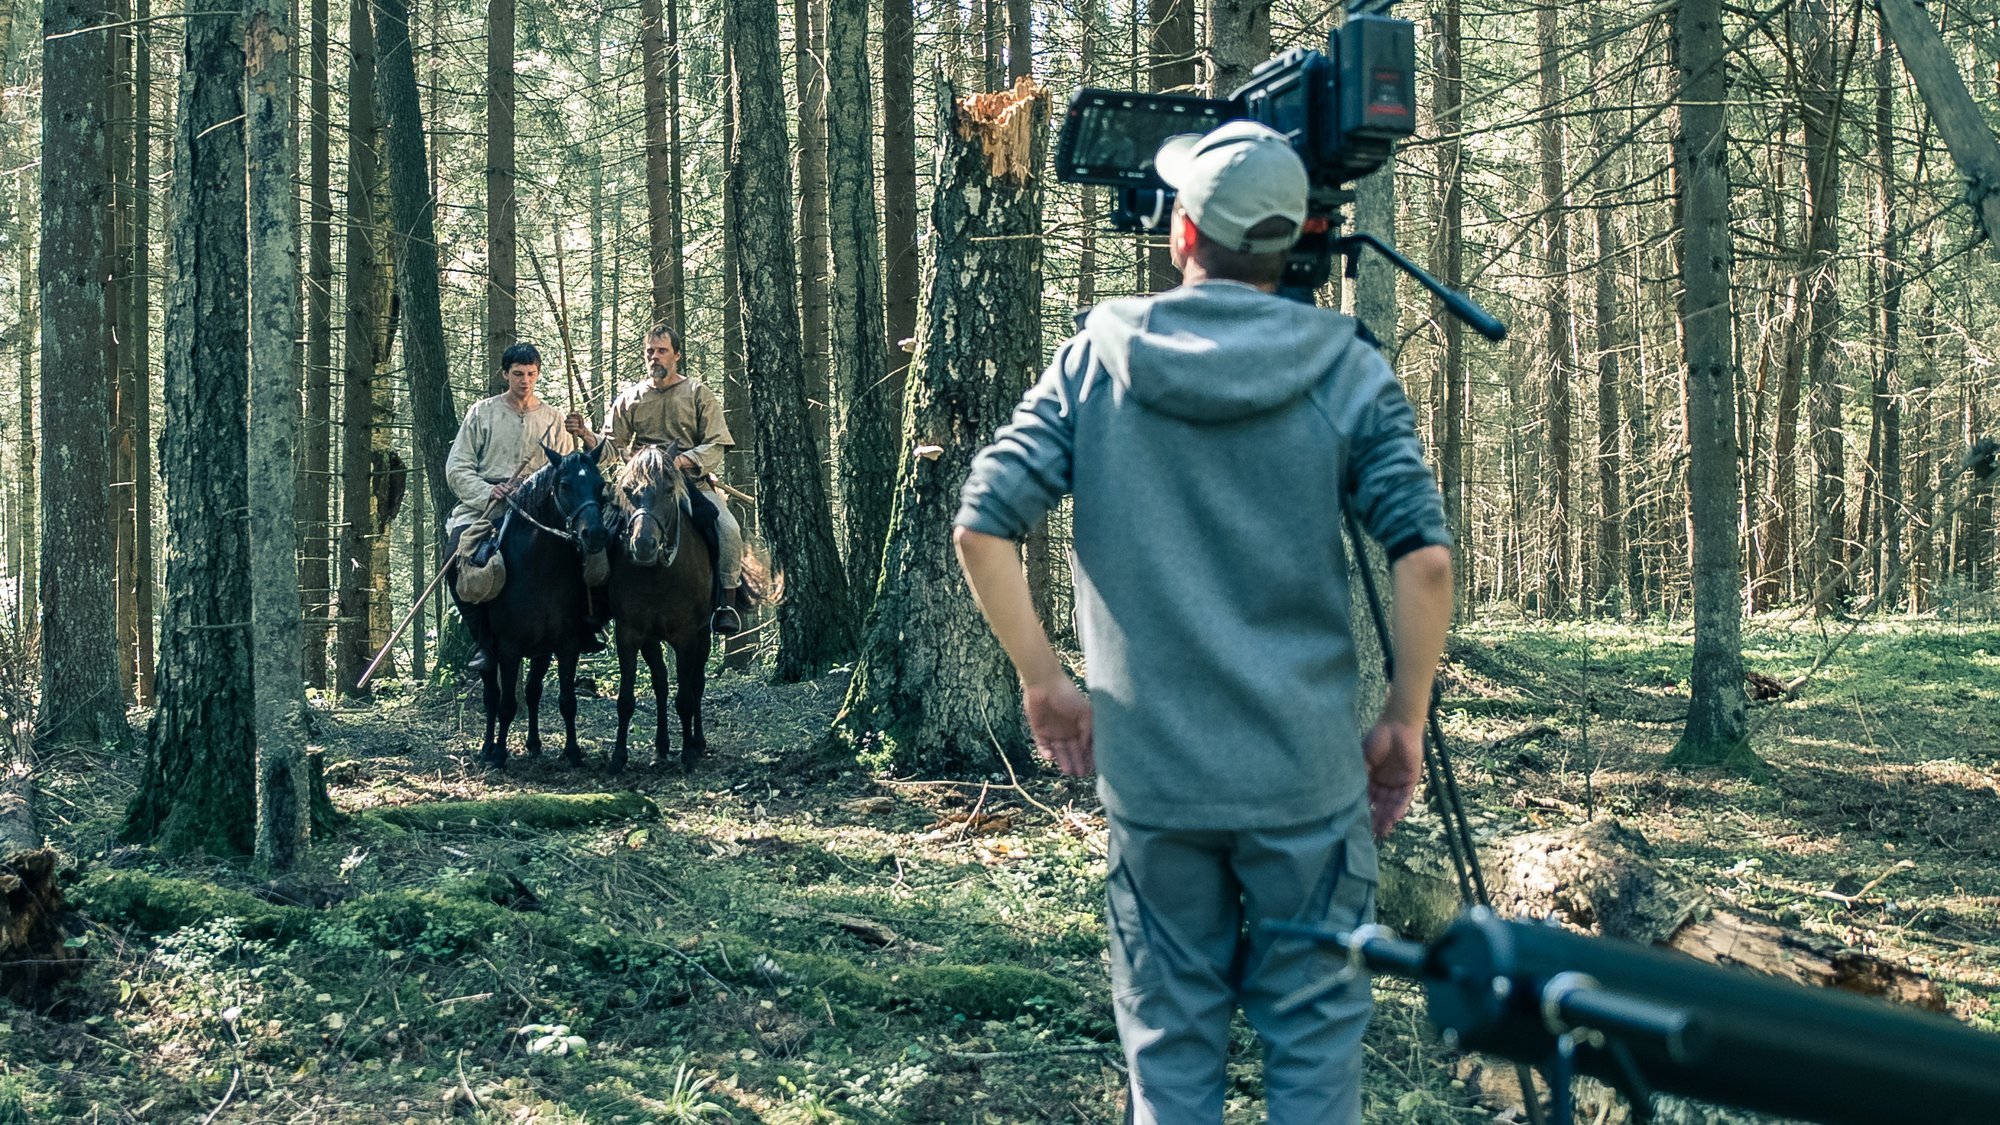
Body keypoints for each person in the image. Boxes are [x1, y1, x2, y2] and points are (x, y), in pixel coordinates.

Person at [953, 120, 1454, 1124]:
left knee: (1170, 1064)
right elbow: (1425, 561)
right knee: (1312, 1059)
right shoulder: (1345, 368)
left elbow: (981, 524)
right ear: (1292, 243)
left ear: (1183, 235)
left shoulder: (1096, 359)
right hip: (1305, 786)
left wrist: (1044, 682)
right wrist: (1401, 719)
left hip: (1156, 783)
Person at [566, 322, 746, 634]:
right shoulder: (630, 398)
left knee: (728, 530)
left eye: (662, 351)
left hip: (686, 482)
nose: (655, 357)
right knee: (598, 527)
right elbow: (611, 447)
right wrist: (585, 434)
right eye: (650, 351)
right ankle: (594, 605)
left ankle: (725, 604)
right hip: (638, 485)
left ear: (676, 355)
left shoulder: (697, 393)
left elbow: (716, 443)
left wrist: (683, 459)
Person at [444, 342, 583, 670]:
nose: (525, 380)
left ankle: (581, 628)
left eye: (531, 374)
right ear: (505, 374)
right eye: (518, 373)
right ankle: (484, 643)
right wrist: (488, 492)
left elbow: (564, 468)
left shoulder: (553, 418)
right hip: (489, 505)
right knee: (457, 557)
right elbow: (457, 468)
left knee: (586, 552)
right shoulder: (482, 413)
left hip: (539, 510)